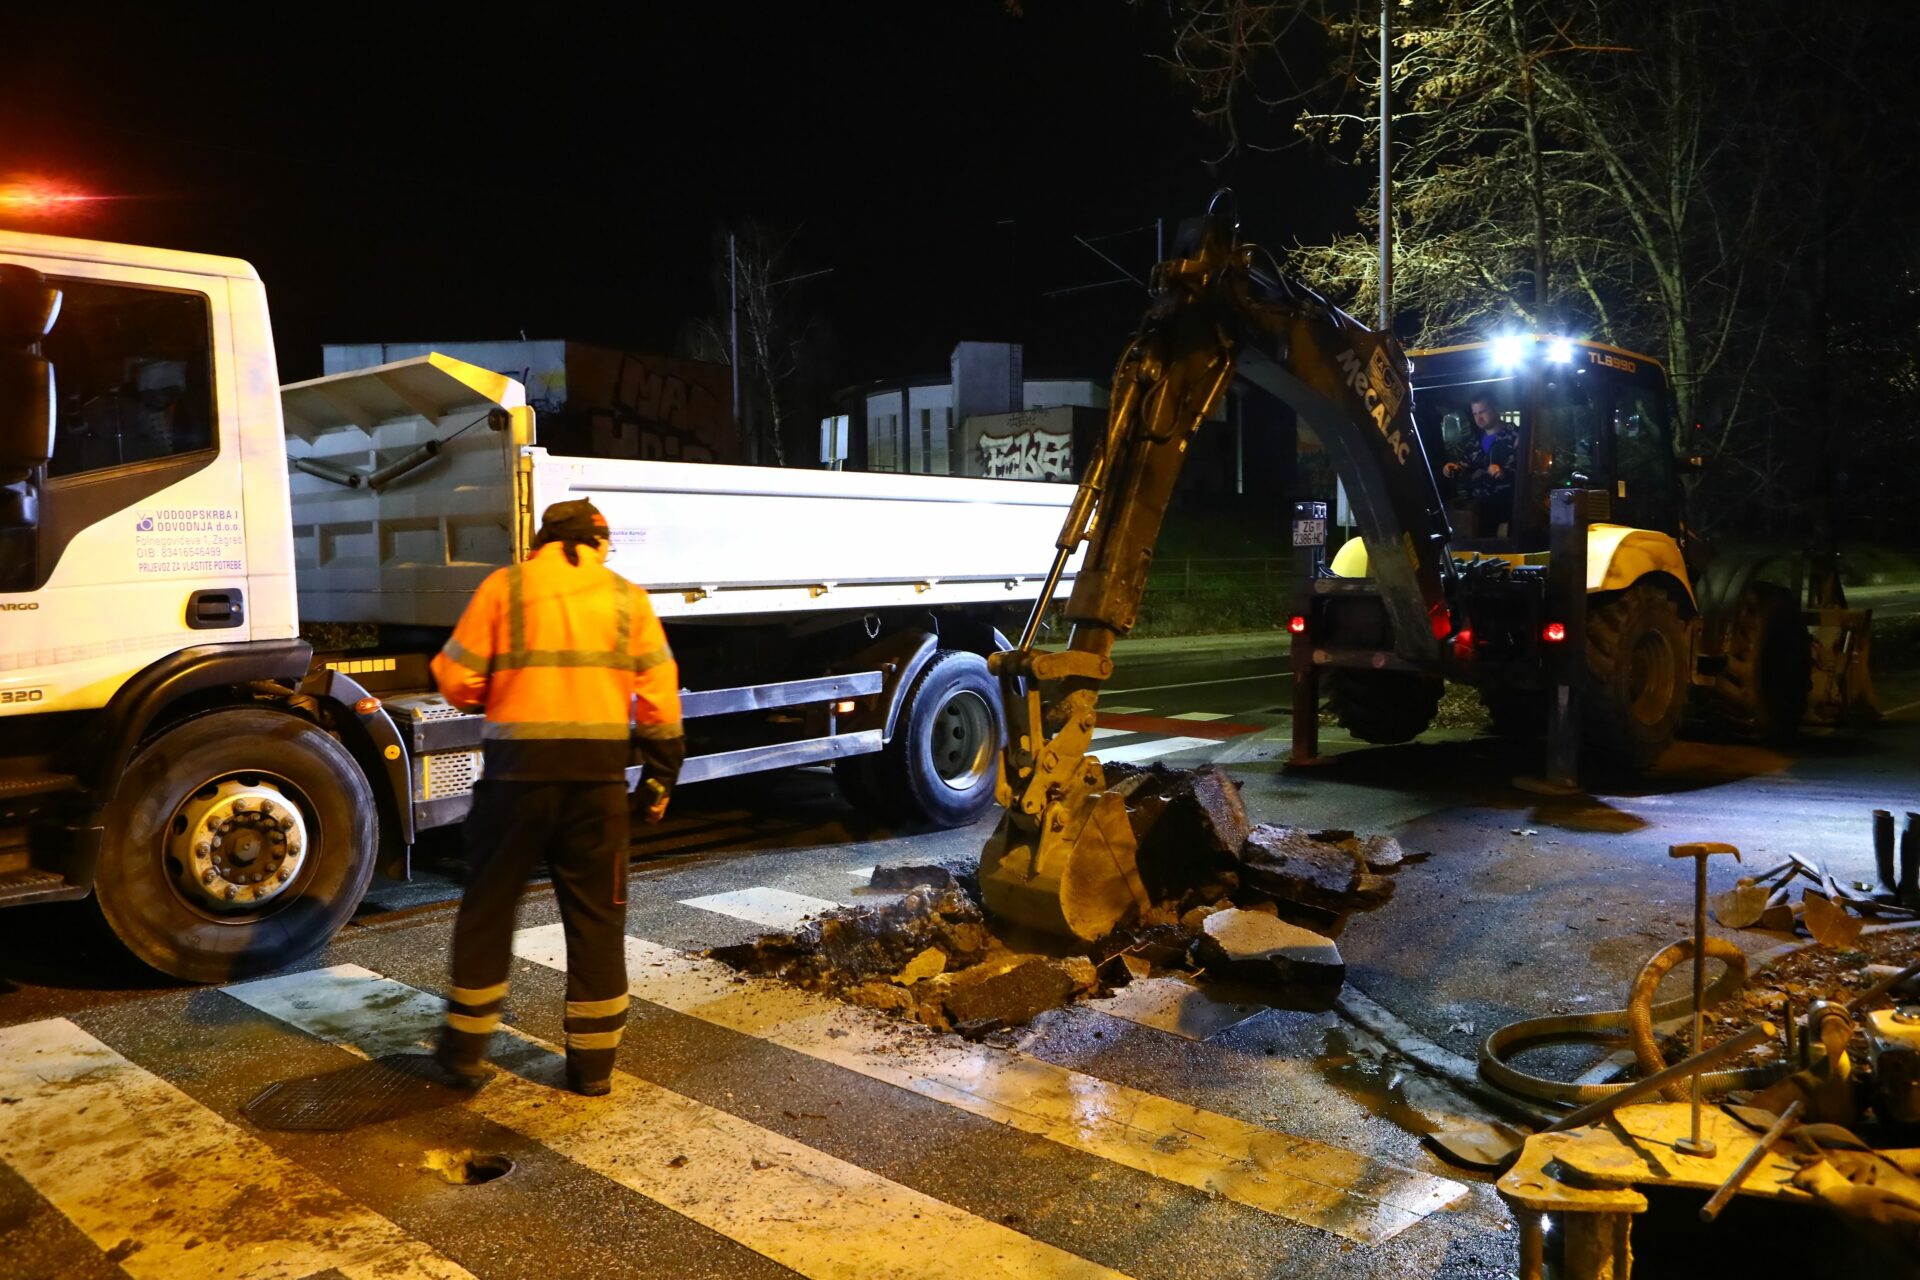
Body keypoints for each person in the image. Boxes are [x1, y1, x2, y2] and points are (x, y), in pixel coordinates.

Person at [429, 498, 685, 1096]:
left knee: (490, 908)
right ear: (598, 544)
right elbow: (659, 700)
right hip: (596, 787)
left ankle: (464, 1052)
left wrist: (499, 691)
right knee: (597, 920)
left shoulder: (505, 588)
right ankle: (592, 1068)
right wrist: (660, 777)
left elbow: (457, 681)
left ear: (542, 542)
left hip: (514, 781)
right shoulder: (627, 599)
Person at [1443, 394, 1518, 535]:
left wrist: (1503, 472)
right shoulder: (1474, 441)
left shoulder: (1516, 435)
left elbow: (1528, 469)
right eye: (1475, 413)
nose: (1479, 418)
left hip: (1509, 509)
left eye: (1483, 411)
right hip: (1479, 510)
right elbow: (1465, 465)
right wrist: (1453, 468)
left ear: (1495, 408)